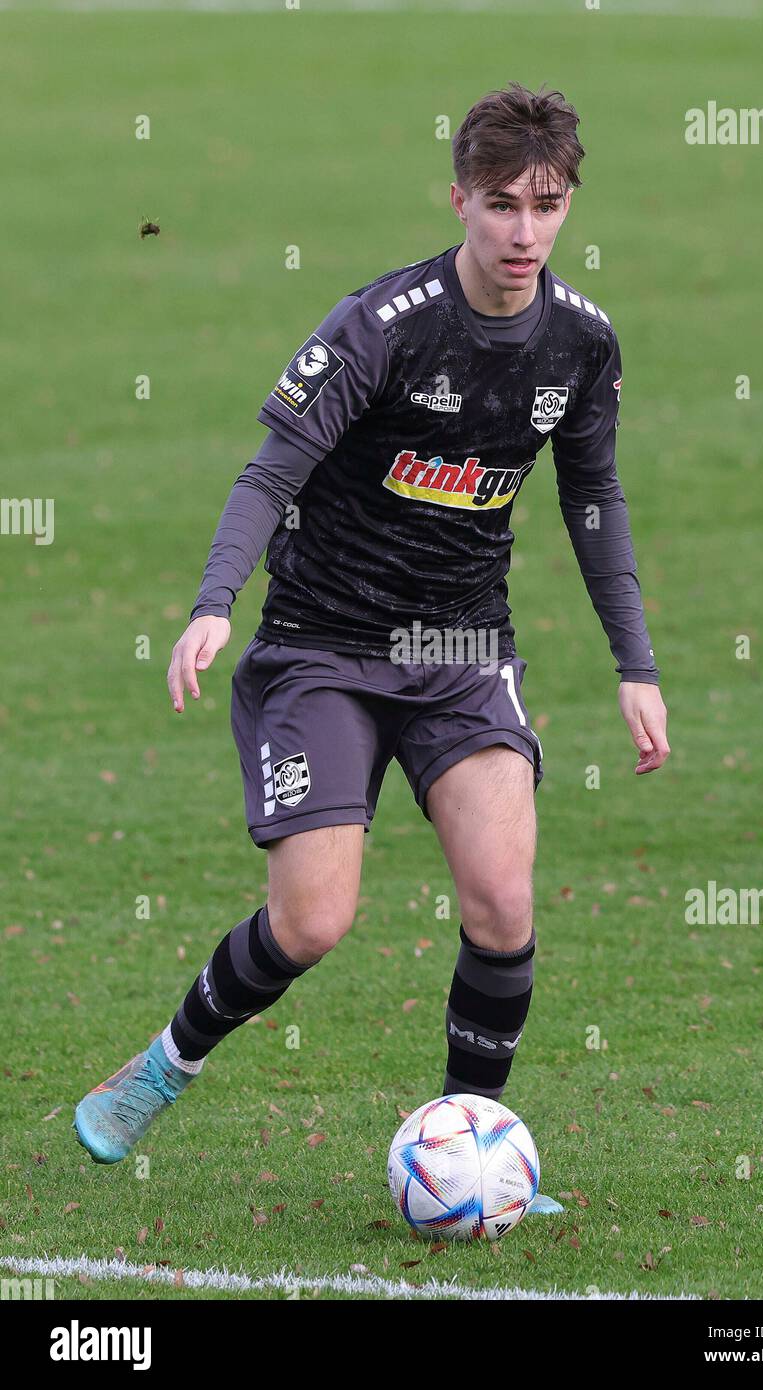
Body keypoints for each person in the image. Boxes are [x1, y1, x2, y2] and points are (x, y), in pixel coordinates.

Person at [74, 82, 669, 1219]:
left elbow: (593, 498)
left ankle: (474, 1148)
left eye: (546, 205)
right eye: (500, 204)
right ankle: (166, 1062)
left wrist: (633, 665)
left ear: (568, 204)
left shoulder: (582, 344)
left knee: (502, 899)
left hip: (461, 649)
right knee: (312, 919)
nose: (523, 232)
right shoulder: (383, 326)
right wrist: (214, 599)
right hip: (323, 648)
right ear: (458, 200)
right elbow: (272, 469)